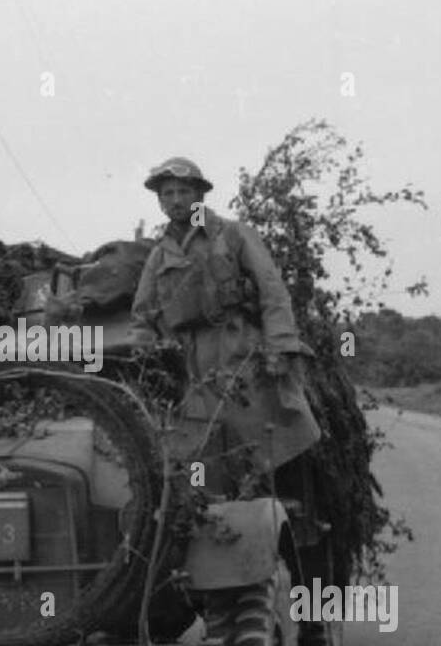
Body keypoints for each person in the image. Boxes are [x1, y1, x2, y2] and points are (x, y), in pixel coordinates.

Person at [126, 156, 321, 490]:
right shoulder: (159, 255)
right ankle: (217, 513)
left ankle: (275, 517)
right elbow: (143, 316)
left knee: (267, 442)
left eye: (183, 191)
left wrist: (280, 346)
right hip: (192, 369)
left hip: (242, 354)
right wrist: (149, 364)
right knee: (201, 455)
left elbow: (271, 291)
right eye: (167, 193)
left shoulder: (232, 235)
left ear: (200, 194)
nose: (174, 199)